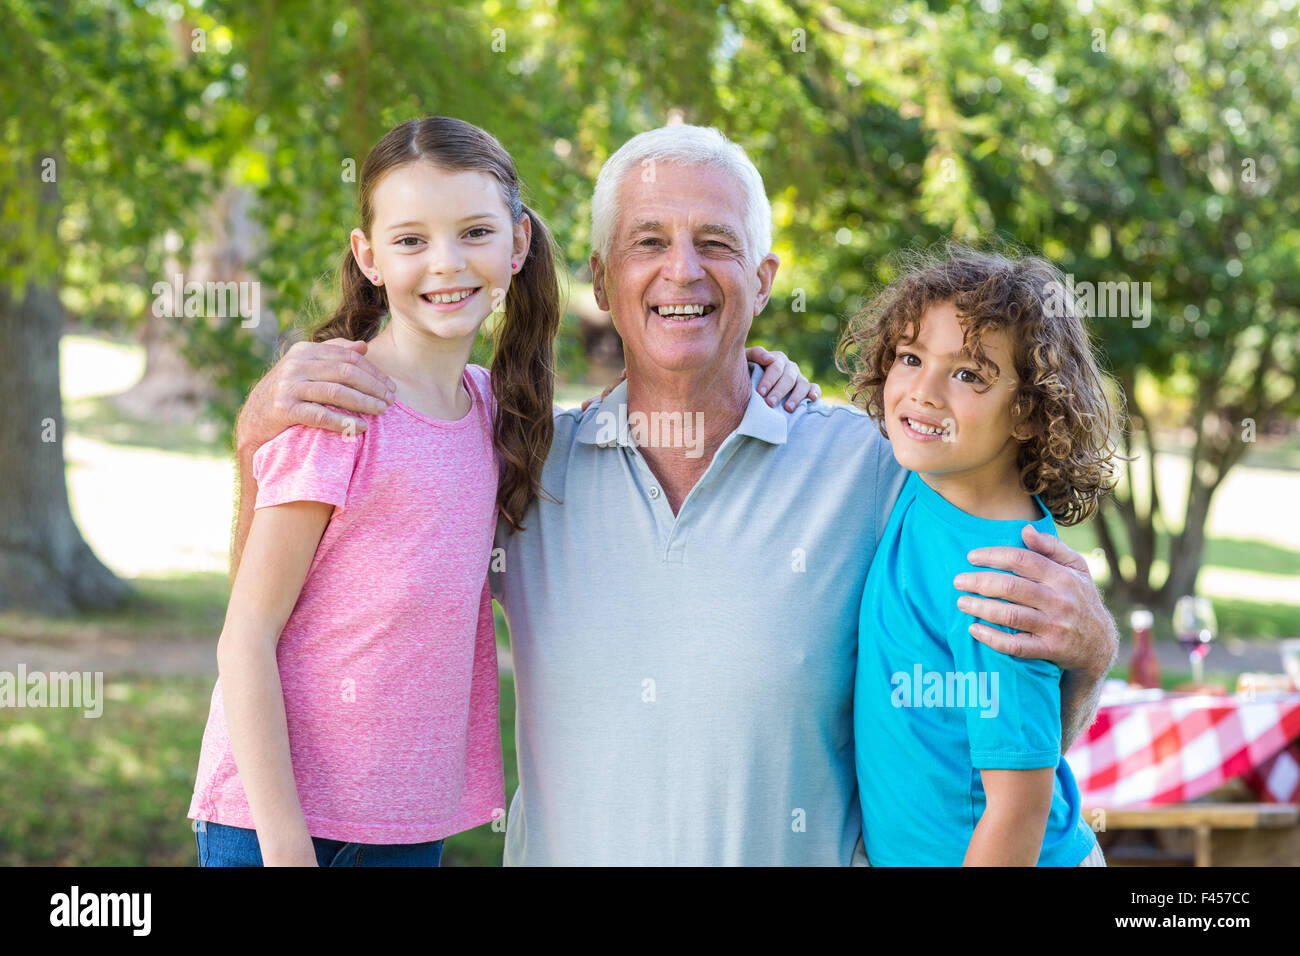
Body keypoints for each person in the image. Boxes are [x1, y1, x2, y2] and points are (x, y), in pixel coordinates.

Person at [231, 124, 1119, 865]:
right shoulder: (521, 459)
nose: (682, 272)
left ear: (763, 280)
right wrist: (253, 438)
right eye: (649, 242)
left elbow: (993, 713)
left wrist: (1092, 649)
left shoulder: (875, 469)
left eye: (717, 244)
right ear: (604, 279)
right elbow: (295, 605)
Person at [187, 115, 561, 866]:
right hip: (281, 826)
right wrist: (286, 847)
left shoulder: (496, 410)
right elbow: (246, 635)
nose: (447, 264)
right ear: (370, 258)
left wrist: (753, 368)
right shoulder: (337, 407)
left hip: (409, 827)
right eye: (412, 239)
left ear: (518, 244)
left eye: (475, 232)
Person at [840, 246, 1119, 866]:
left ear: (1027, 412)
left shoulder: (1003, 582)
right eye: (910, 358)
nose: (924, 391)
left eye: (968, 374)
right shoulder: (931, 479)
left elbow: (1018, 805)